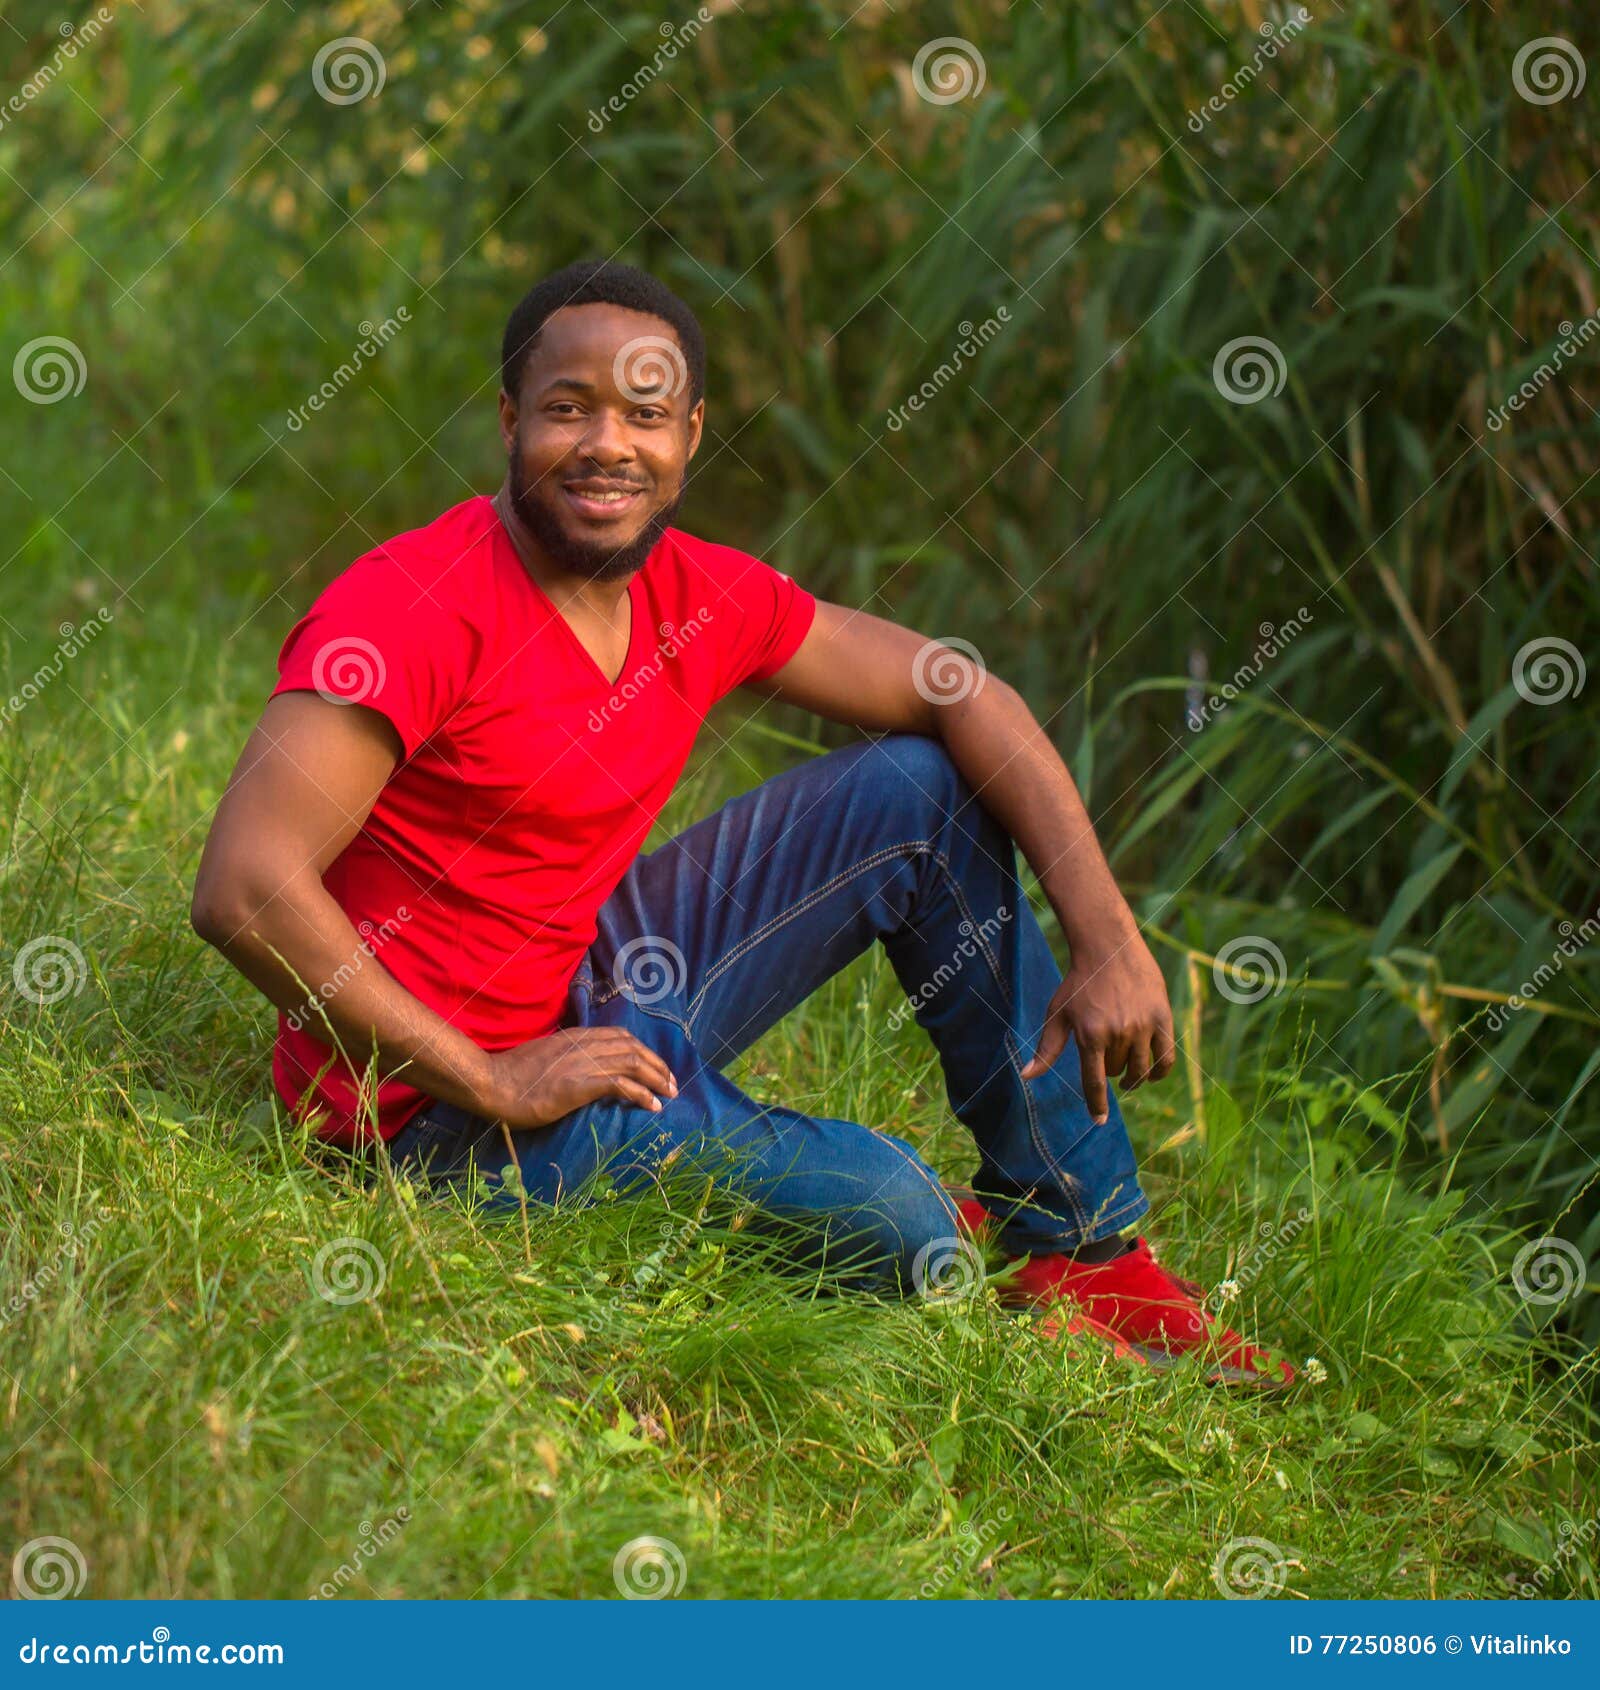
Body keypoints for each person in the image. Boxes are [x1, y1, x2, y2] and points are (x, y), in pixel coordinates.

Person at [191, 259, 1292, 1386]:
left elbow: (961, 689)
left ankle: (1082, 1242)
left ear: (691, 436)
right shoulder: (411, 605)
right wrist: (490, 1079)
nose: (608, 443)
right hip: (426, 1120)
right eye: (569, 408)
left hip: (589, 984)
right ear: (512, 421)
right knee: (901, 1223)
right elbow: (244, 885)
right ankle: (900, 1217)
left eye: (646, 414)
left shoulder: (694, 595)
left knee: (916, 783)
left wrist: (1106, 934)